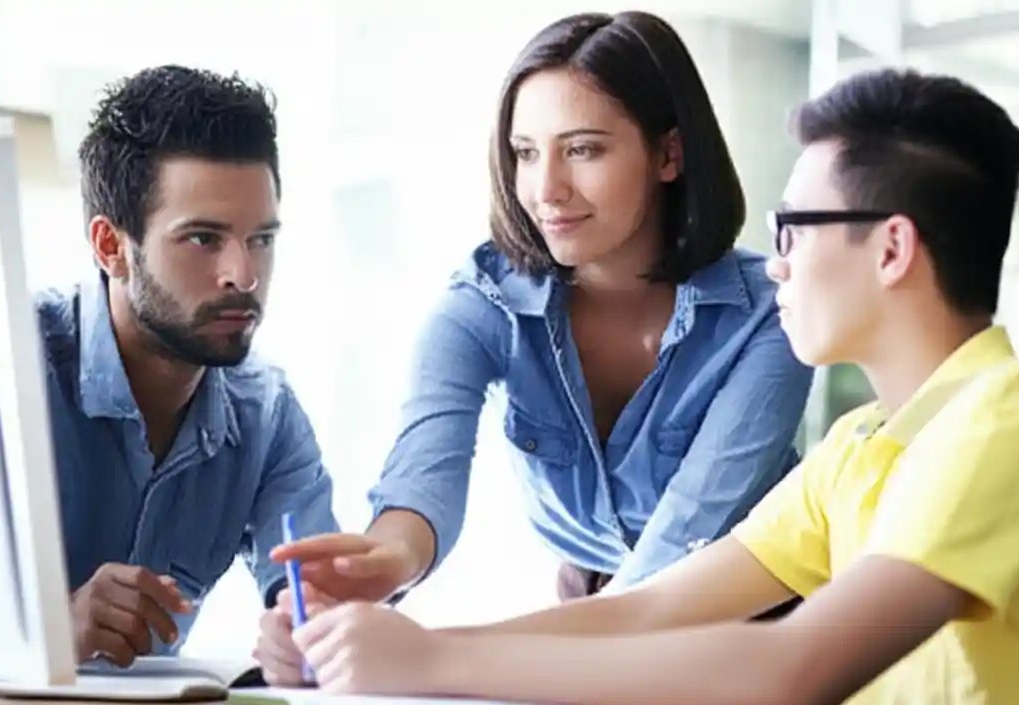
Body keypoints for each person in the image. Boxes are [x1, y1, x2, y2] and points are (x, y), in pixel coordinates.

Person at [264, 67, 1019, 705]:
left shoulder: (1002, 430)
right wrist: (389, 651)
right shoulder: (862, 449)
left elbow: (793, 673)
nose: (778, 264)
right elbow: (648, 608)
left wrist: (431, 666)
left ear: (892, 248)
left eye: (793, 228)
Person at [253, 8, 811, 667]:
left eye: (582, 149)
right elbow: (424, 476)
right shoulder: (482, 304)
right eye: (524, 153)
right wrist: (378, 568)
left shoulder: (770, 311)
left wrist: (439, 655)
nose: (545, 189)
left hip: (758, 624)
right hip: (590, 606)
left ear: (669, 153)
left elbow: (688, 539)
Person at [37, 65, 338, 666]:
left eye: (262, 239)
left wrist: (311, 636)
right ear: (110, 247)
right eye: (204, 238)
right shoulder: (11, 366)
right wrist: (46, 632)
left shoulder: (267, 416)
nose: (244, 275)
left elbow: (313, 594)